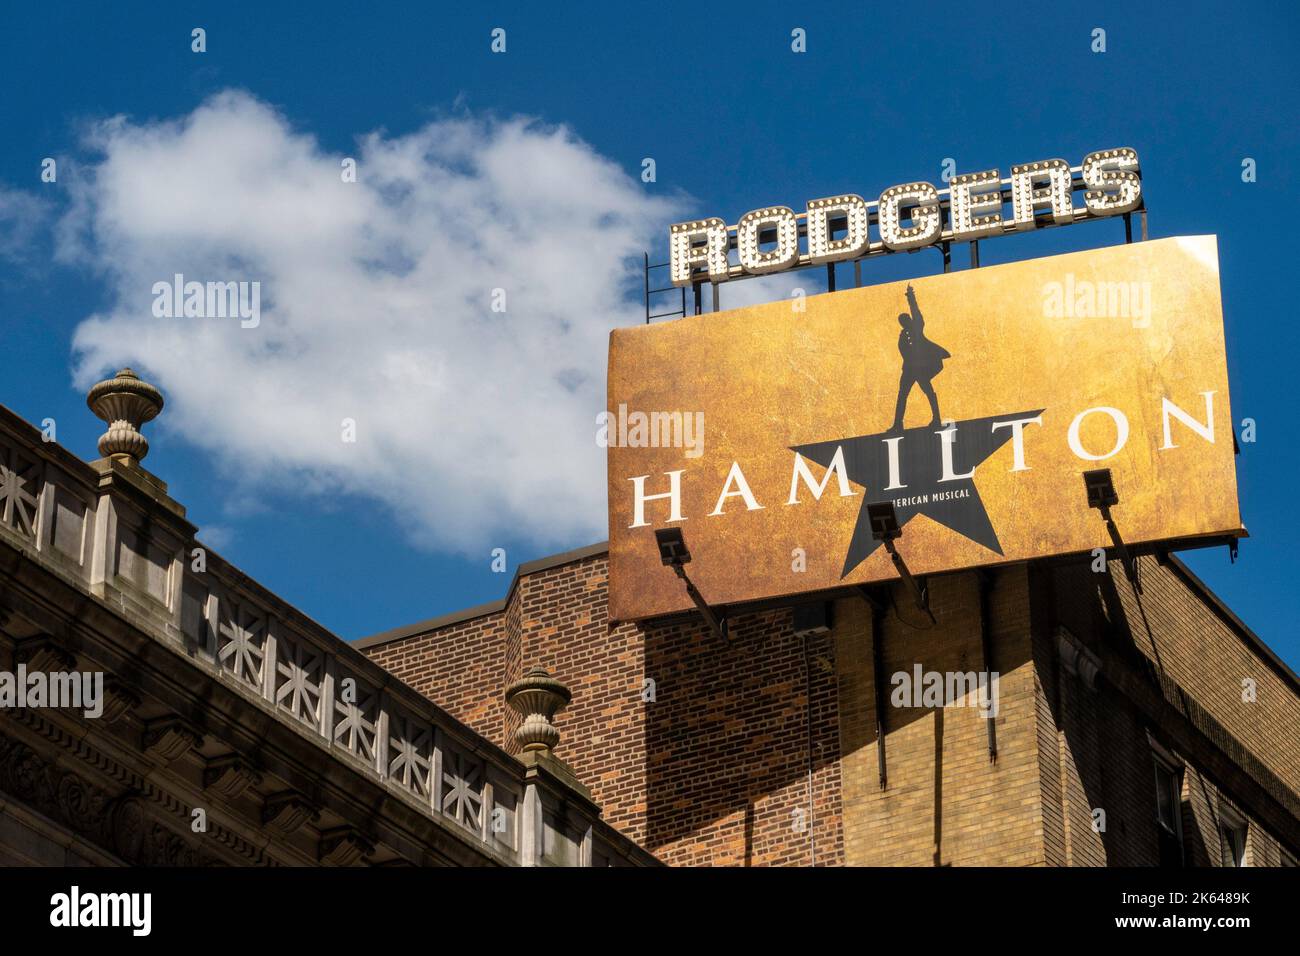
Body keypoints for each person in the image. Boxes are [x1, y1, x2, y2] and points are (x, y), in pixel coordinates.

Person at [889, 284, 950, 432]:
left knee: (929, 392)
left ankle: (936, 419)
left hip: (921, 367)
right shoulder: (903, 335)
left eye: (906, 319)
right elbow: (902, 350)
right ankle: (898, 424)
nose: (904, 322)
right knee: (902, 395)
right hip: (909, 369)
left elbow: (915, 309)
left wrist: (910, 296)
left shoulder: (917, 325)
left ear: (910, 319)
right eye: (902, 321)